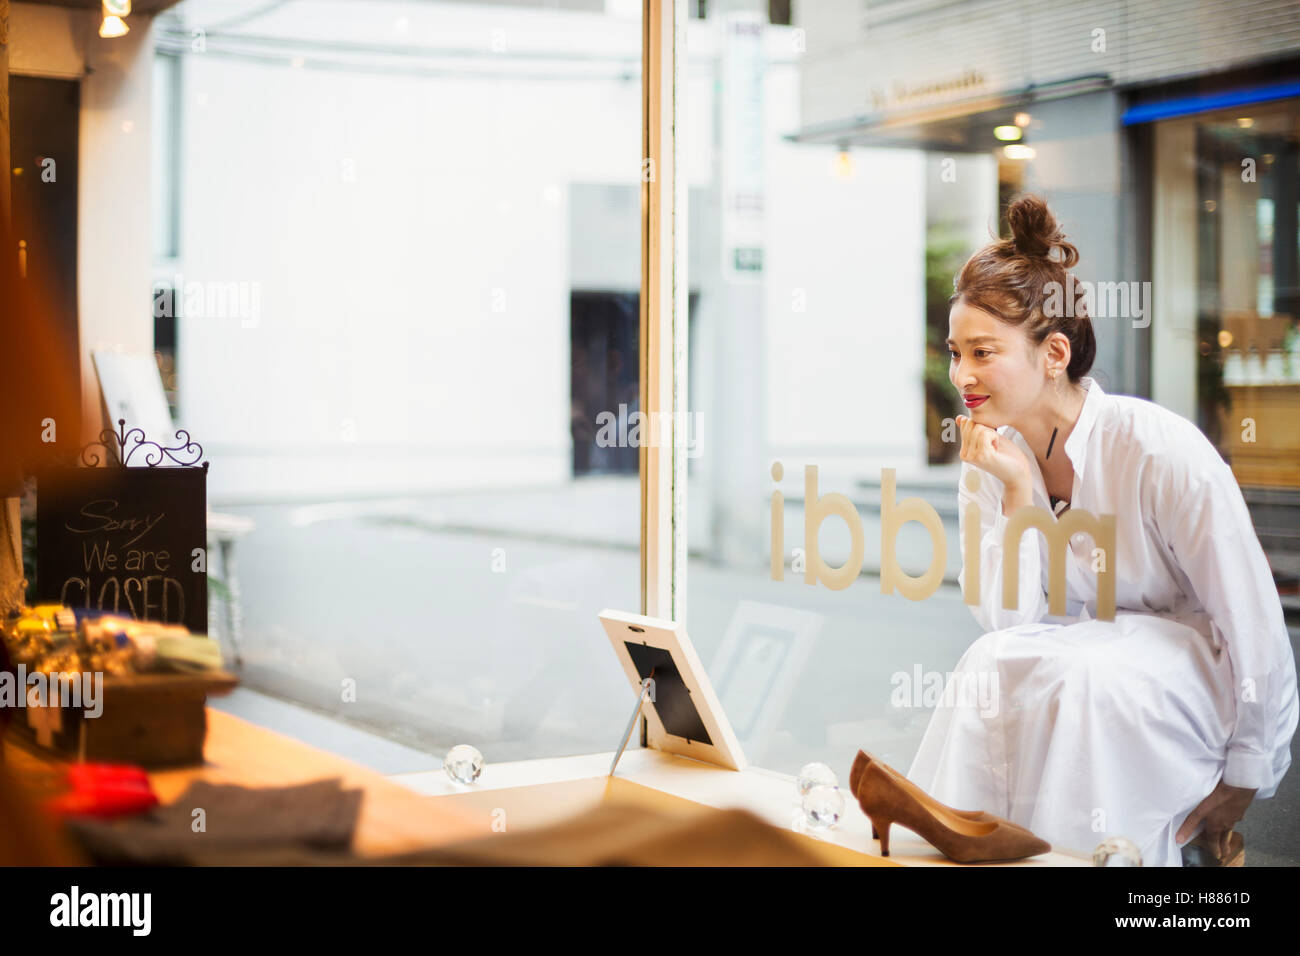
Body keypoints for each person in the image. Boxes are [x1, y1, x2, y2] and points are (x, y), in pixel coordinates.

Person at [907, 194, 1298, 866]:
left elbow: (1252, 620)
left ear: (1053, 353)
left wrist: (1248, 771)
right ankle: (966, 844)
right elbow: (1007, 623)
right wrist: (1019, 492)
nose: (961, 376)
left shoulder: (1157, 449)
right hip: (1082, 669)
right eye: (954, 352)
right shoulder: (991, 459)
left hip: (1188, 674)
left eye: (982, 352)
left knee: (1085, 676)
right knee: (989, 664)